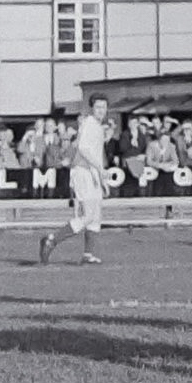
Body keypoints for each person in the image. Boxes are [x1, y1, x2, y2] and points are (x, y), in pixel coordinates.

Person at [41, 95, 109, 265]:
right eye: (98, 107)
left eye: (103, 107)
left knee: (96, 216)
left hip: (92, 172)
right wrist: (100, 169)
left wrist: (101, 178)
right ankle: (52, 240)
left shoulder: (98, 126)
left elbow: (96, 153)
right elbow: (83, 148)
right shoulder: (89, 123)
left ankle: (88, 255)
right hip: (83, 172)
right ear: (91, 109)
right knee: (88, 216)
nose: (101, 110)